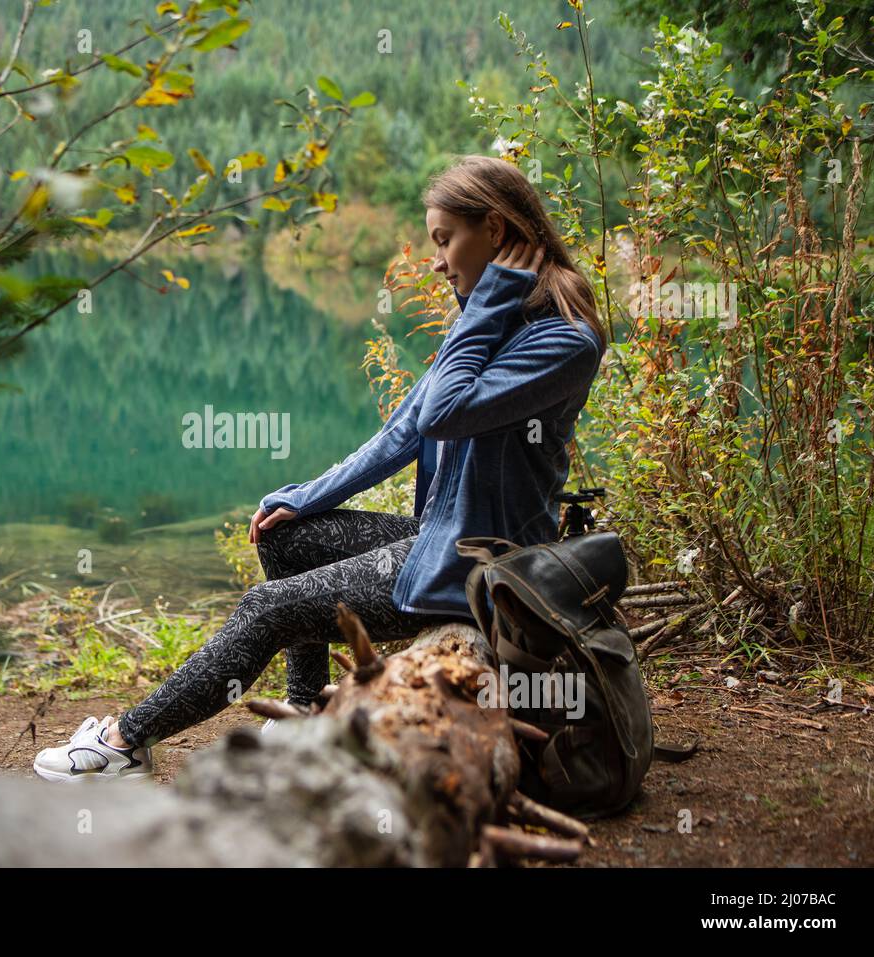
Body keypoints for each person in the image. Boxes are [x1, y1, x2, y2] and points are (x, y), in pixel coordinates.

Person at [32, 154, 606, 783]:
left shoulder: (562, 340)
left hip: (484, 570)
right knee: (283, 532)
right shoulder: (489, 319)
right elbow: (402, 434)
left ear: (495, 231)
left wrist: (487, 303)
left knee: (266, 609)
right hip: (438, 540)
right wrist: (305, 496)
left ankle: (123, 742)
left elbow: (444, 413)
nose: (437, 261)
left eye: (445, 240)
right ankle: (305, 711)